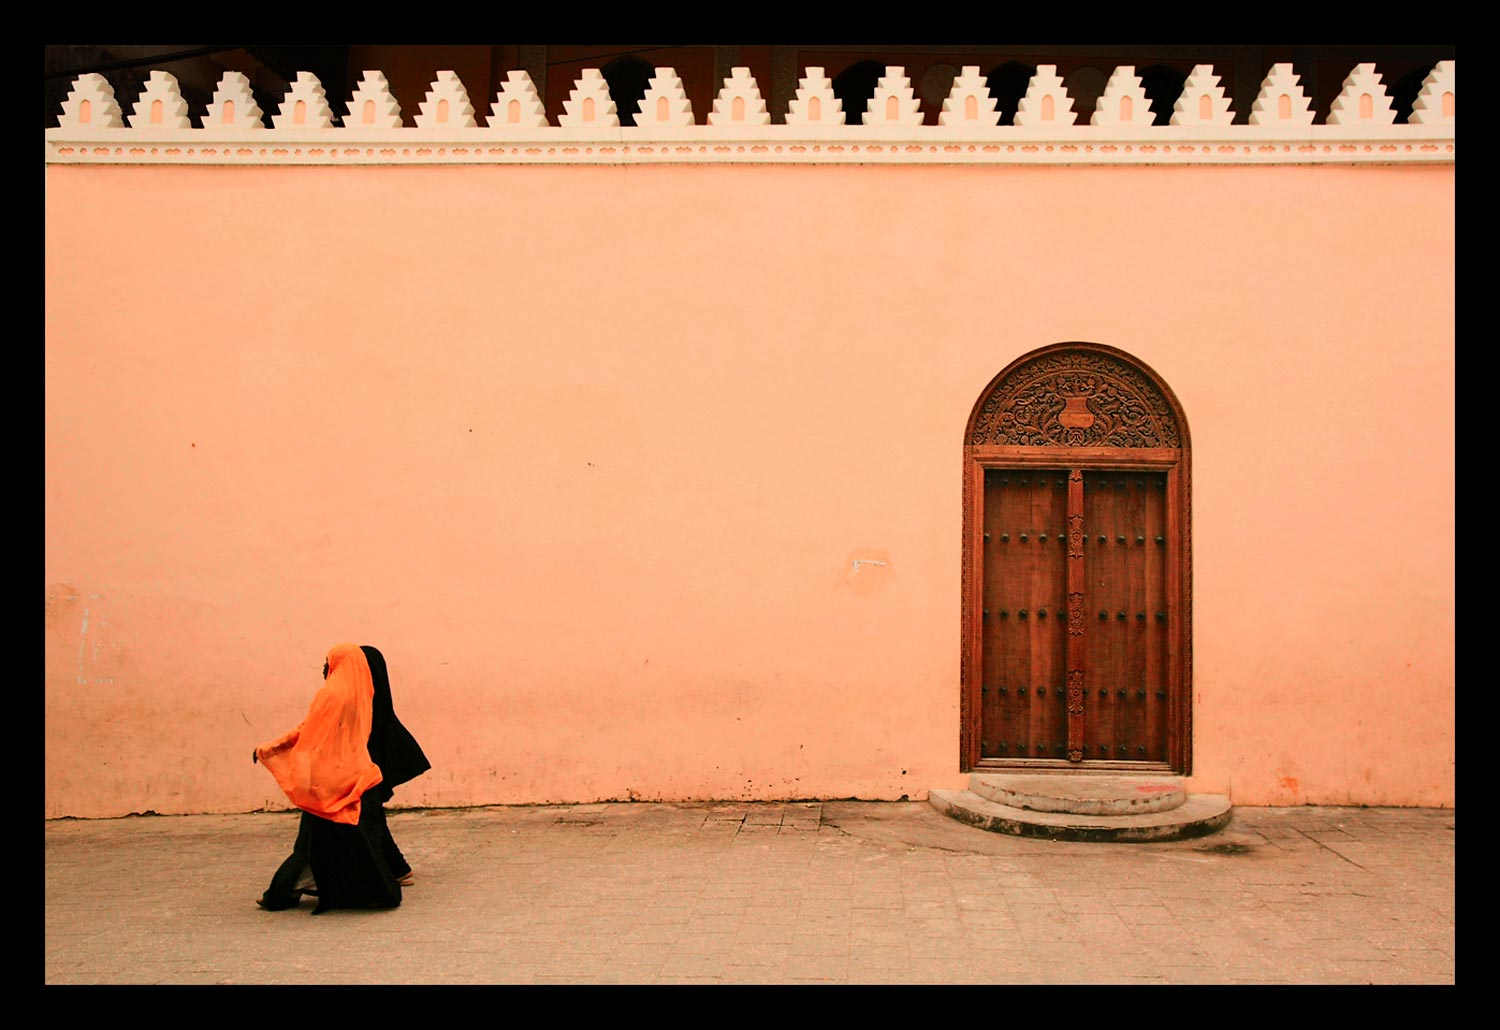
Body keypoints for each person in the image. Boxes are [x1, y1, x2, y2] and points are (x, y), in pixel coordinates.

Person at [253, 643, 431, 913]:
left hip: (329, 779)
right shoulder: (363, 695)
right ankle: (296, 889)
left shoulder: (332, 694)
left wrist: (271, 749)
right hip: (358, 775)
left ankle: (286, 889)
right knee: (350, 838)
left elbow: (309, 731)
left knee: (312, 840)